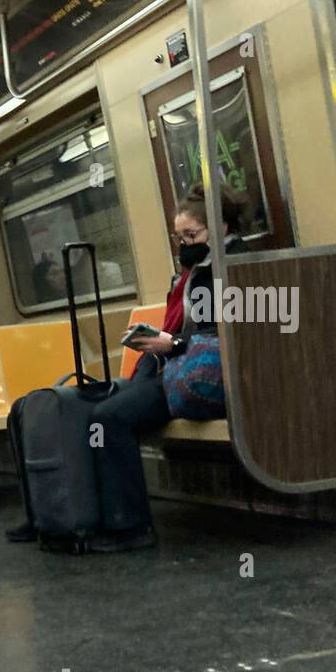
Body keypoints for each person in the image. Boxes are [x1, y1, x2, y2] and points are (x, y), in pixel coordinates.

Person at [84, 183, 247, 552]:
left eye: (192, 235)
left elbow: (229, 336)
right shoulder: (192, 272)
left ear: (221, 228)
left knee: (108, 419)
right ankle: (90, 517)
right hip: (174, 366)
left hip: (203, 374)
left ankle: (131, 527)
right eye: (180, 237)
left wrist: (170, 344)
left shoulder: (236, 267)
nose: (185, 244)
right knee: (90, 409)